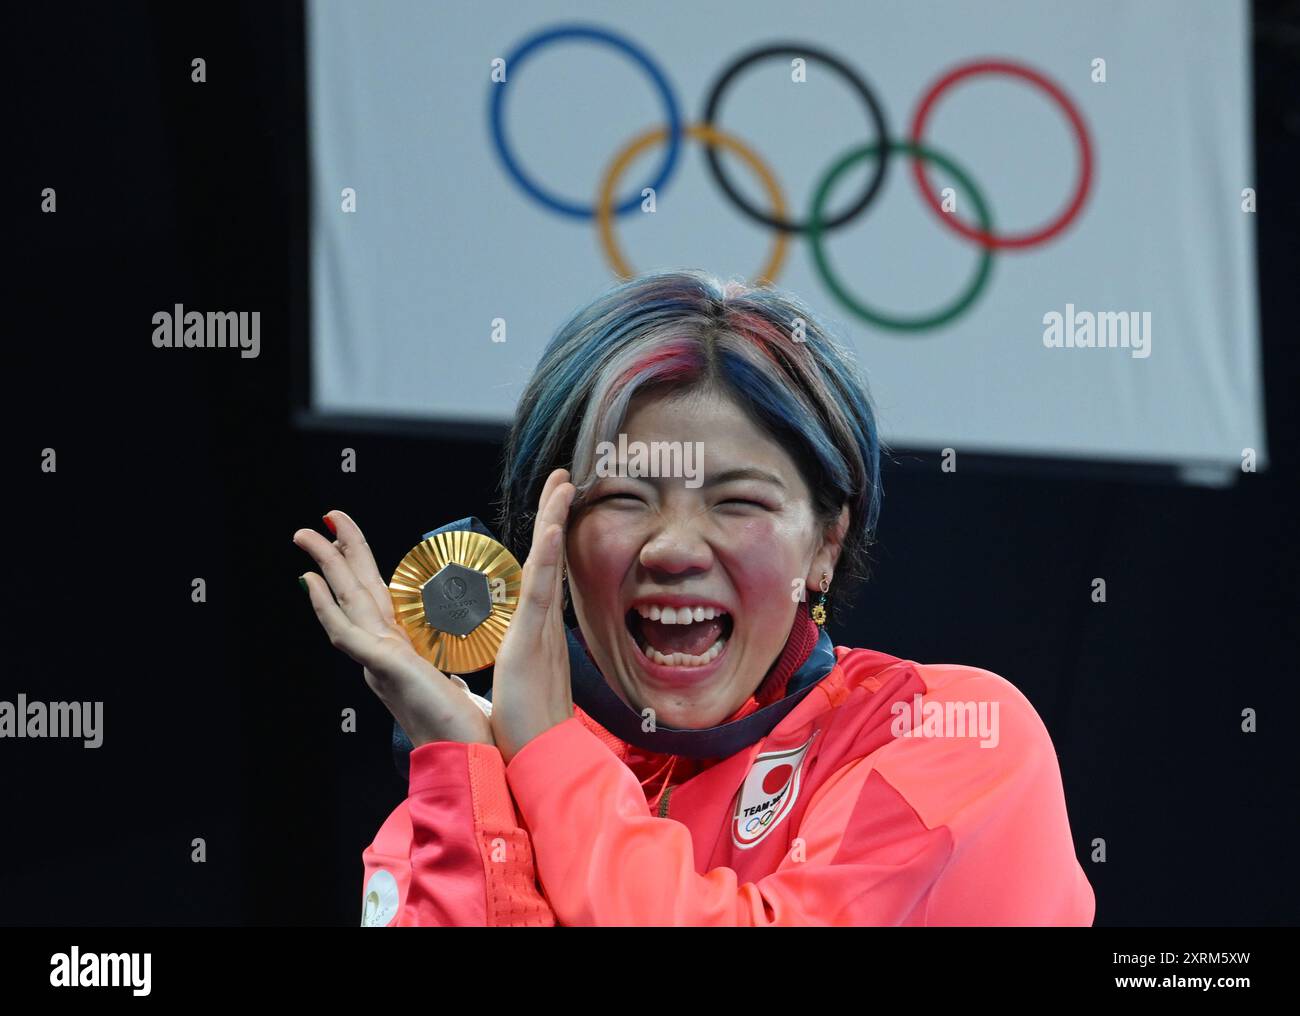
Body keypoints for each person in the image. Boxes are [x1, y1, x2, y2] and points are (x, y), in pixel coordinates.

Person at [293, 269, 1096, 926]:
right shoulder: (484, 767)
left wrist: (541, 757)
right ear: (554, 537)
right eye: (623, 497)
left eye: (738, 501)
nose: (673, 548)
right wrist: (465, 764)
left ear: (825, 542)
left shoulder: (948, 731)